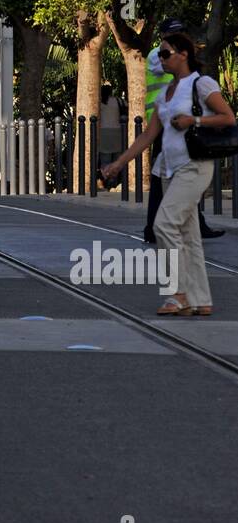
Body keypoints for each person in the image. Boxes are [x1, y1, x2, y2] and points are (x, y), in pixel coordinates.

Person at [102, 32, 236, 316]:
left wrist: (194, 119)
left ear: (183, 54)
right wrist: (118, 164)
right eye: (159, 55)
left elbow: (228, 117)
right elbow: (148, 136)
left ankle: (179, 293)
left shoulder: (201, 84)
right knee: (188, 235)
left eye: (165, 54)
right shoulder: (165, 93)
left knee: (163, 224)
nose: (160, 59)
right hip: (169, 169)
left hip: (194, 165)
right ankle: (200, 300)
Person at [144, 19, 224, 242]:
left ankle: (194, 224)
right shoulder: (157, 55)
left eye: (181, 33)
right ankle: (155, 227)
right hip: (163, 124)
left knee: (183, 174)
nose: (178, 37)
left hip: (179, 123)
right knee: (164, 177)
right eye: (173, 34)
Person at [98, 83, 125, 167]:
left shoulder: (99, 103)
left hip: (104, 132)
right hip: (117, 132)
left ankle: (106, 177)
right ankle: (114, 179)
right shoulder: (118, 100)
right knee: (116, 160)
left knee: (105, 161)